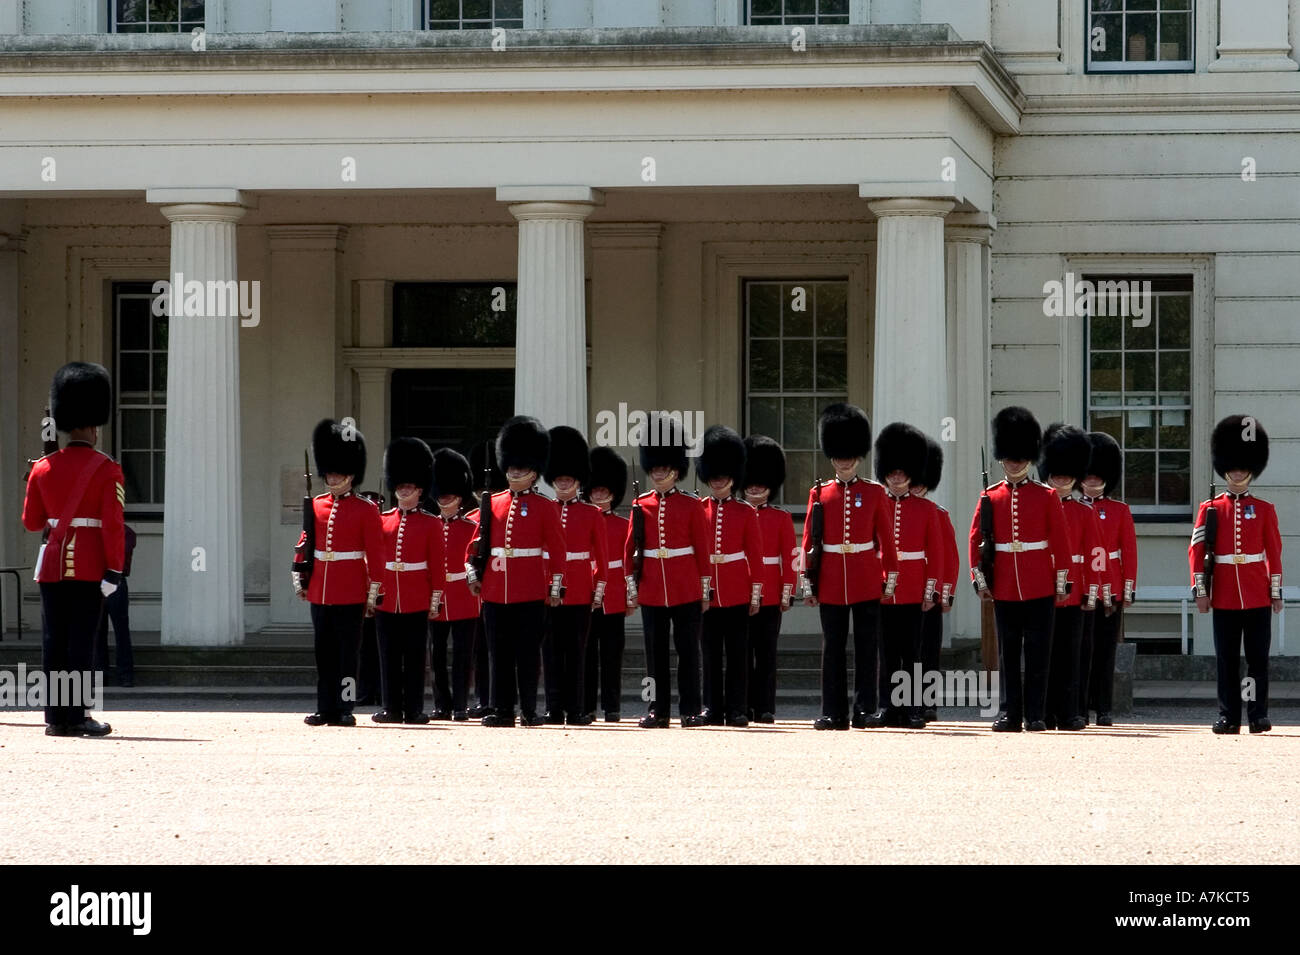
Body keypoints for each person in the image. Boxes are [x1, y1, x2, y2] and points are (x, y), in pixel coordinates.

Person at [22, 362, 124, 737]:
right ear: (92, 424)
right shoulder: (106, 468)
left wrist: (34, 481)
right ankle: (77, 714)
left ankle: (56, 718)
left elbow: (32, 523)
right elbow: (112, 526)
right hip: (87, 566)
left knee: (54, 642)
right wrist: (115, 569)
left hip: (50, 566)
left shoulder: (43, 468)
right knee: (81, 642)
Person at [967, 407, 1071, 732]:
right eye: (1009, 457)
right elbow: (975, 541)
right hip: (1005, 586)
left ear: (1028, 457)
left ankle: (1035, 714)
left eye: (1019, 456)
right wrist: (980, 580)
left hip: (1039, 583)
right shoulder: (990, 497)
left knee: (1039, 654)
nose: (1014, 462)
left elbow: (1061, 544)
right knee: (1008, 655)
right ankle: (1009, 713)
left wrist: (1061, 582)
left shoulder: (1047, 496)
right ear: (1002, 458)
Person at [466, 416, 567, 728]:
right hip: (496, 590)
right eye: (510, 468)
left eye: (520, 469)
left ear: (533, 472)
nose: (513, 473)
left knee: (526, 655)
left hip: (530, 589)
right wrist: (472, 571)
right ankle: (502, 709)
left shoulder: (545, 506)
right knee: (499, 655)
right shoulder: (492, 502)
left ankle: (529, 709)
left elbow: (558, 550)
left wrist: (555, 586)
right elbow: (475, 544)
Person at [803, 403, 898, 730]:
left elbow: (886, 540)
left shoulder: (873, 493)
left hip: (866, 579)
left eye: (849, 454)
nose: (843, 459)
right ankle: (833, 712)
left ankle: (864, 709)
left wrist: (889, 578)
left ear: (858, 456)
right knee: (833, 650)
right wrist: (809, 584)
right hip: (830, 579)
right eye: (839, 453)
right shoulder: (819, 493)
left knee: (867, 649)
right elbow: (808, 542)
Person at [1189, 414, 1283, 734]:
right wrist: (1200, 590)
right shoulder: (1210, 508)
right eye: (1234, 465)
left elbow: (1274, 552)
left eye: (1244, 466)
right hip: (1226, 593)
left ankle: (1257, 714)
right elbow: (1197, 552)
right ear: (1225, 468)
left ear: (1250, 469)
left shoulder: (1265, 509)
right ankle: (1229, 715)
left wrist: (1275, 590)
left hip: (1256, 592)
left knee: (1257, 660)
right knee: (1227, 660)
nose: (1239, 470)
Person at [295, 418, 385, 727]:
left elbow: (376, 554)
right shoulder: (317, 505)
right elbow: (305, 544)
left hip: (351, 589)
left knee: (349, 655)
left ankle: (346, 708)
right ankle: (325, 707)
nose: (333, 478)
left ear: (351, 474)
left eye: (338, 473)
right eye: (330, 473)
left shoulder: (365, 509)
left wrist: (374, 593)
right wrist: (301, 577)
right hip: (320, 588)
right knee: (324, 654)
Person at [625, 413, 712, 728]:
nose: (659, 473)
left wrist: (704, 591)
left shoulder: (691, 505)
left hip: (685, 588)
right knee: (654, 657)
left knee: (689, 654)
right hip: (651, 588)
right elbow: (629, 553)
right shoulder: (641, 505)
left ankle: (690, 709)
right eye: (656, 468)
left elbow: (702, 552)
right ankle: (656, 709)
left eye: (665, 469)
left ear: (676, 471)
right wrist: (632, 591)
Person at [874, 422, 942, 729]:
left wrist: (930, 592)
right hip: (882, 588)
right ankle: (888, 706)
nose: (897, 477)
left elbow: (936, 554)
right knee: (887, 653)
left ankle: (913, 708)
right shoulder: (877, 504)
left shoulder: (926, 509)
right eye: (893, 472)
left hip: (914, 587)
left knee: (912, 652)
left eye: (902, 472)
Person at [540, 426, 609, 726]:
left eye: (568, 478)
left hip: (580, 588)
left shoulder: (592, 514)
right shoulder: (545, 509)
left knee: (577, 653)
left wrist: (598, 589)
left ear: (578, 480)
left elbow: (602, 558)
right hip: (547, 589)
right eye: (559, 478)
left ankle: (577, 708)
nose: (563, 482)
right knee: (550, 653)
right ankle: (554, 708)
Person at [697, 425, 764, 728]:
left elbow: (756, 555)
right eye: (714, 475)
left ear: (732, 477)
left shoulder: (746, 512)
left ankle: (737, 709)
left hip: (737, 589)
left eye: (723, 475)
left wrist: (755, 593)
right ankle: (711, 707)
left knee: (738, 655)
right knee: (709, 655)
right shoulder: (698, 510)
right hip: (708, 591)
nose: (718, 480)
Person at [1038, 424, 1104, 732]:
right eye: (1057, 474)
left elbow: (1093, 556)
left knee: (1072, 655)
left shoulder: (1084, 512)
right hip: (1043, 590)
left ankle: (1070, 712)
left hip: (1075, 592)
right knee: (1043, 656)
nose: (1062, 480)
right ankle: (1044, 712)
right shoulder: (1037, 508)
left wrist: (1091, 593)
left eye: (1067, 475)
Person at [373, 437, 440, 725]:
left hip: (415, 597)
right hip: (388, 598)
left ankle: (414, 709)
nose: (403, 491)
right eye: (400, 487)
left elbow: (438, 565)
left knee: (414, 658)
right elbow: (375, 561)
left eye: (408, 487)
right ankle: (392, 708)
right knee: (388, 657)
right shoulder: (383, 519)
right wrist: (372, 593)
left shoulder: (431, 523)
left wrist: (436, 598)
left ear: (419, 490)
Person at [1078, 431, 1137, 727]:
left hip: (1109, 589)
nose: (1090, 480)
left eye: (1096, 475)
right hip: (1078, 591)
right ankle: (1079, 707)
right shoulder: (1070, 509)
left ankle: (1103, 707)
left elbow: (1129, 553)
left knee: (1104, 652)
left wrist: (1127, 590)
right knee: (1080, 650)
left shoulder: (1119, 510)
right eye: (1086, 475)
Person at [743, 434, 795, 724]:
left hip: (772, 593)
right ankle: (744, 705)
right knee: (741, 654)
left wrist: (787, 592)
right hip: (739, 590)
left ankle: (765, 707)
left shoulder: (780, 518)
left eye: (761, 482)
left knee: (766, 655)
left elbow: (789, 558)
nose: (755, 486)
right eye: (751, 481)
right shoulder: (737, 514)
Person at [429, 448, 481, 721]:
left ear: (459, 497)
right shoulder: (431, 525)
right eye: (441, 494)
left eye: (449, 494)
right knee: (437, 656)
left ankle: (460, 704)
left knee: (463, 656)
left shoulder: (471, 526)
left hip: (464, 594)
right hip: (438, 595)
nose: (444, 499)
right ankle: (442, 704)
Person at [583, 447, 632, 722]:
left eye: (604, 492)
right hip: (586, 595)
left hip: (614, 595)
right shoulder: (580, 521)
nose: (599, 496)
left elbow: (627, 564)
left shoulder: (624, 525)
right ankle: (587, 706)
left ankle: (612, 707)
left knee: (612, 657)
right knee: (587, 656)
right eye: (595, 491)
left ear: (613, 493)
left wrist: (630, 595)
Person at [911, 436, 958, 722]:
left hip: (929, 594)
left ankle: (927, 703)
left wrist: (945, 592)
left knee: (928, 652)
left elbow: (950, 558)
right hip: (898, 593)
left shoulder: (938, 514)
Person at [465, 442, 506, 719]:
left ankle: (500, 699)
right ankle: (483, 697)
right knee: (479, 649)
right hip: (477, 592)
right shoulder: (471, 518)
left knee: (499, 649)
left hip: (499, 591)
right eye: (479, 492)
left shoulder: (501, 516)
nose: (483, 496)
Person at [94, 524, 136, 687]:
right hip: (112, 581)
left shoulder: (124, 532)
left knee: (115, 630)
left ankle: (117, 673)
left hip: (109, 580)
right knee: (106, 630)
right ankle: (120, 674)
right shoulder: (126, 531)